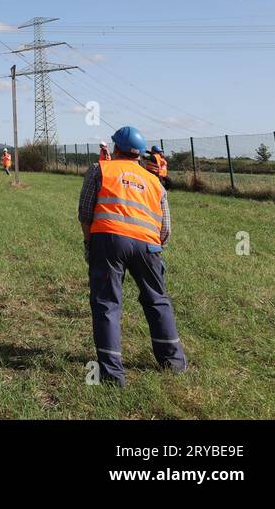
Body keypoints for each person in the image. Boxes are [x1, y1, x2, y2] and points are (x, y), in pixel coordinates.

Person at [78, 125, 187, 386]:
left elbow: (85, 212)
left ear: (115, 149)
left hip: (109, 240)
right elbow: (166, 229)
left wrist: (89, 242)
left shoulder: (100, 169)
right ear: (139, 154)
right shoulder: (155, 182)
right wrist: (151, 248)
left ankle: (113, 374)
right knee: (157, 300)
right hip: (149, 247)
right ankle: (173, 362)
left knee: (107, 303)